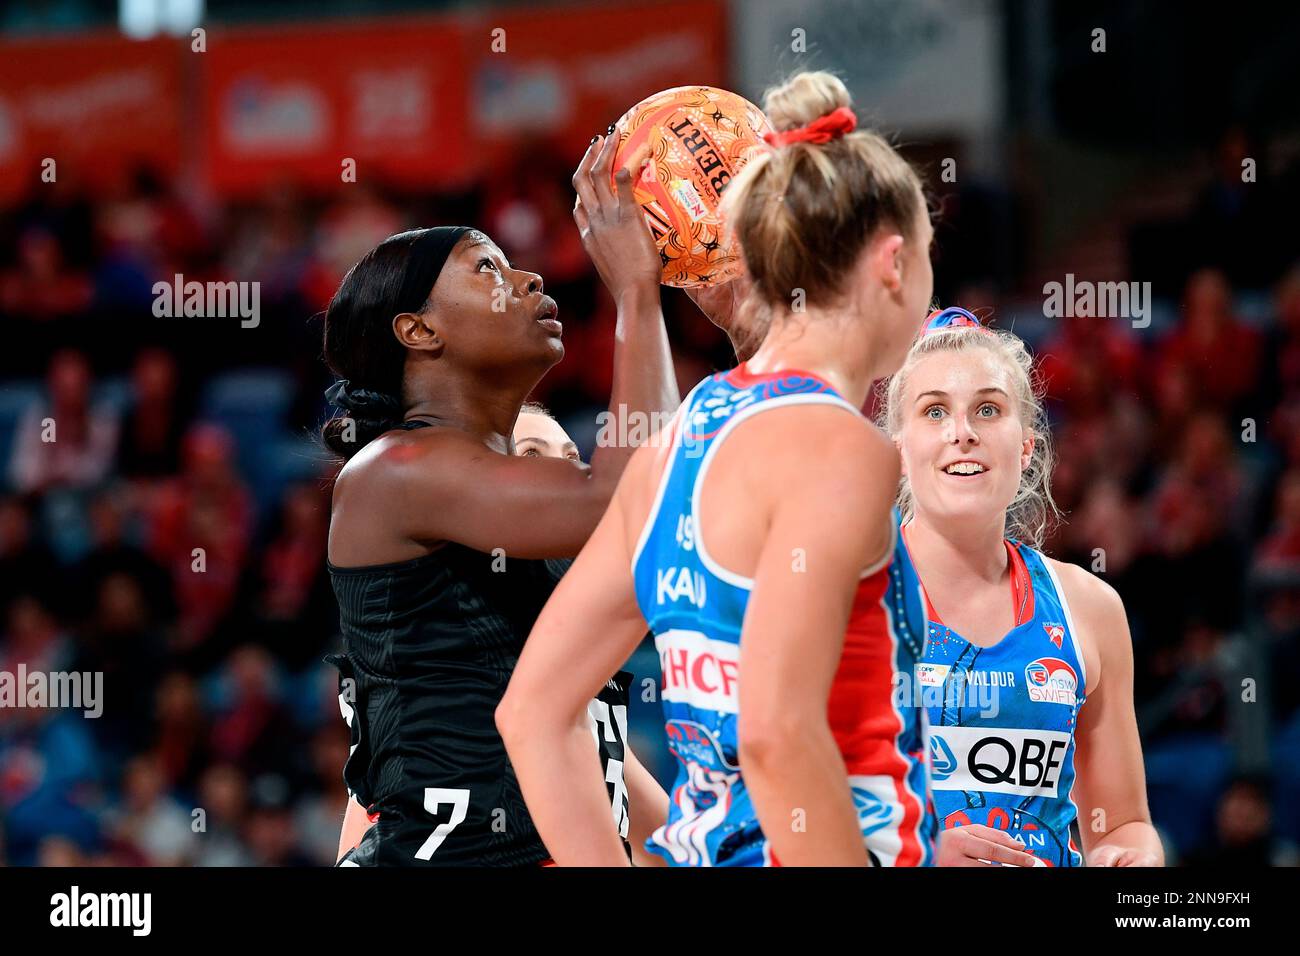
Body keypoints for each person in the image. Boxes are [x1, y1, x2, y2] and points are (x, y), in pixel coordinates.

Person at [499, 71, 938, 866]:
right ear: (894, 264)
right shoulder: (842, 448)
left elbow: (531, 712)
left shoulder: (674, 442)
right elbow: (775, 736)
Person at [325, 131, 679, 866]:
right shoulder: (390, 472)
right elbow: (632, 500)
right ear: (417, 331)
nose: (529, 281)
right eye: (487, 268)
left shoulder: (504, 508)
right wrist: (637, 297)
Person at [883, 307, 1164, 866]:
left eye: (988, 409)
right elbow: (783, 814)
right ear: (898, 450)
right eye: (934, 411)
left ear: (1028, 447)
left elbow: (1126, 825)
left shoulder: (1089, 607)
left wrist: (1130, 861)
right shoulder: (843, 596)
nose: (962, 433)